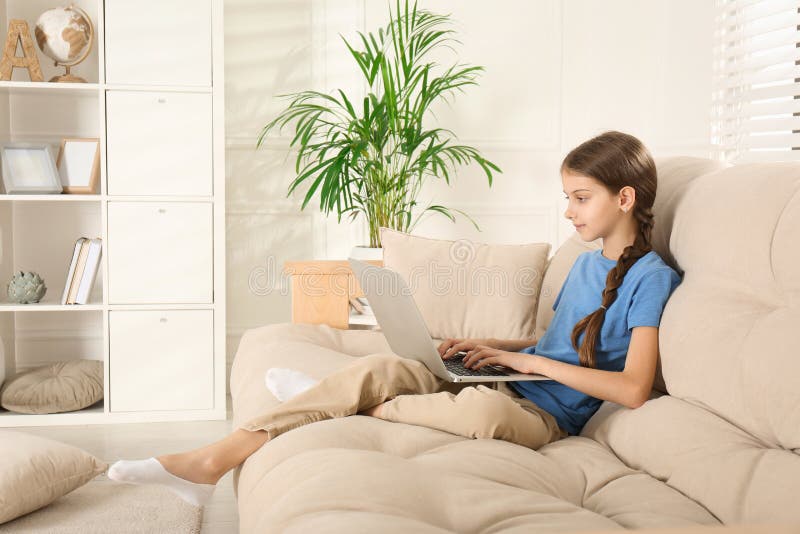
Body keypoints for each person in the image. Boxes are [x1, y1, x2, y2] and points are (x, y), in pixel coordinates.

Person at [106, 130, 682, 507]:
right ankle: (212, 461)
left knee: (476, 406)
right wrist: (494, 346)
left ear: (624, 199)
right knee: (390, 363)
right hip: (514, 378)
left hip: (548, 418)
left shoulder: (651, 277)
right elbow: (557, 342)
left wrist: (525, 361)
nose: (568, 210)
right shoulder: (585, 266)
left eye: (580, 197)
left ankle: (336, 400)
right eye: (567, 196)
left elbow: (632, 388)